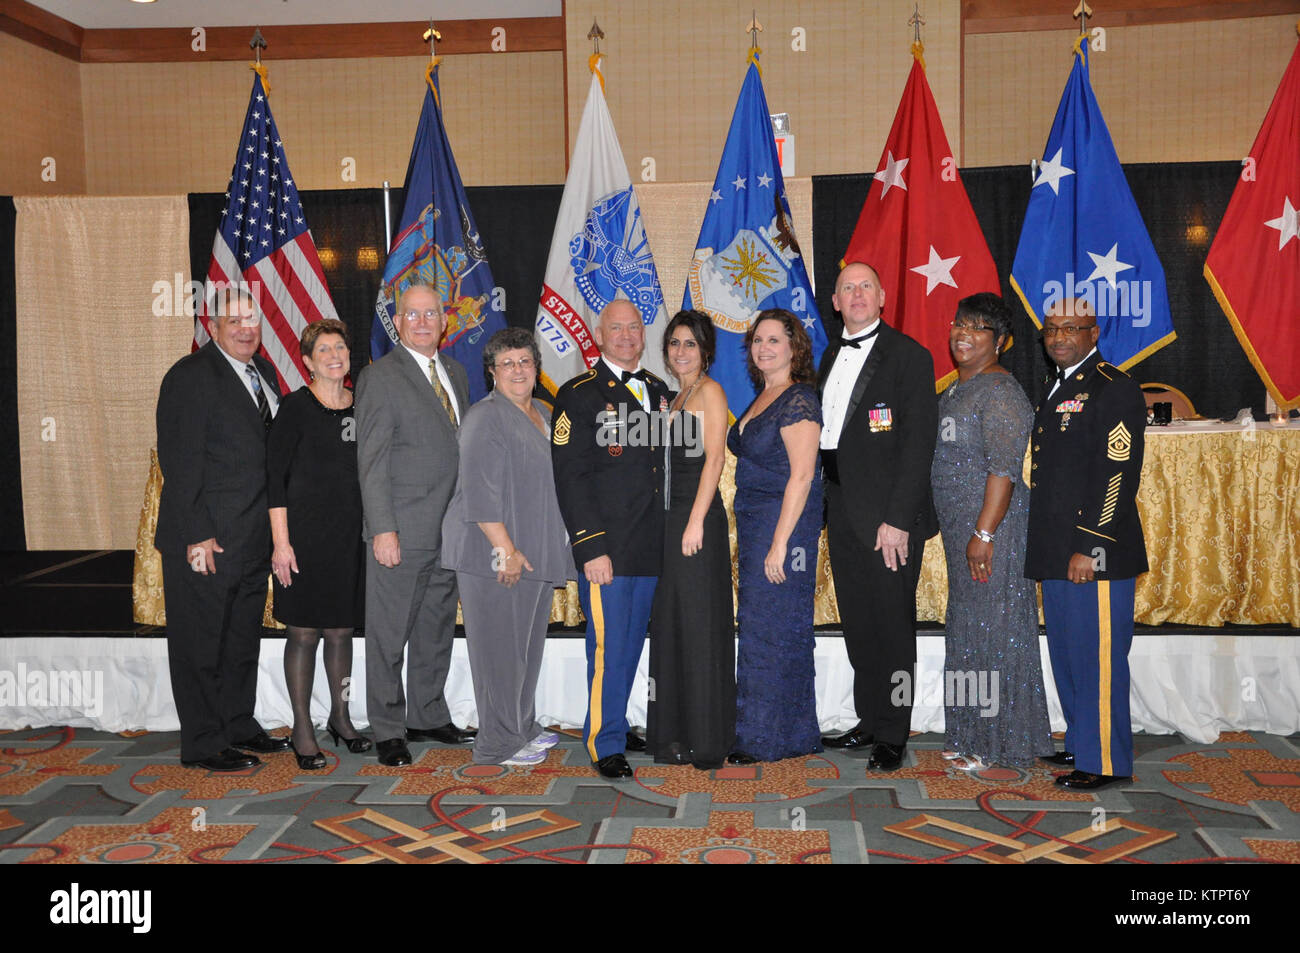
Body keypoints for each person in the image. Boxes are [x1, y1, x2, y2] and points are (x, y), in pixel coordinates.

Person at [155, 288, 291, 771]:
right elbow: (179, 459)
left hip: (252, 539)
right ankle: (203, 742)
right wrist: (197, 535)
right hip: (206, 541)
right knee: (200, 642)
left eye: (251, 321)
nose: (245, 328)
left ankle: (237, 723)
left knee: (239, 640)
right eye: (233, 321)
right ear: (212, 327)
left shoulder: (264, 373)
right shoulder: (190, 376)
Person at [818, 262, 938, 772]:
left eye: (867, 285)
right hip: (840, 510)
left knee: (892, 627)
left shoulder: (909, 356)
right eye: (848, 287)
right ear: (836, 300)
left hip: (889, 518)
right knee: (860, 624)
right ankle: (869, 718)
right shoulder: (827, 355)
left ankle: (893, 730)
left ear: (883, 295)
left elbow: (917, 446)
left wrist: (898, 519)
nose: (858, 293)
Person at [1026, 298, 1148, 791]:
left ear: (1093, 333)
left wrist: (1089, 545)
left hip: (1093, 552)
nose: (1059, 337)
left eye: (1071, 328)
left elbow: (1117, 475)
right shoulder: (1060, 385)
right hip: (1058, 548)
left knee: (1098, 657)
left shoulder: (1113, 388)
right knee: (1070, 654)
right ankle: (1082, 741)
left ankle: (1105, 761)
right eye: (1052, 329)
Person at [442, 328, 575, 767]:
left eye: (525, 361)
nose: (517, 370)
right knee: (498, 653)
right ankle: (498, 744)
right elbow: (479, 494)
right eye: (507, 363)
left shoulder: (543, 410)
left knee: (525, 651)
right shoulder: (485, 417)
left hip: (533, 549)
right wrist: (506, 550)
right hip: (494, 555)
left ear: (537, 368)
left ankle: (521, 727)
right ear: (492, 373)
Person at [930, 293, 1053, 770]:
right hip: (965, 530)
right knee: (970, 629)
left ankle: (997, 740)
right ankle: (970, 732)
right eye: (960, 323)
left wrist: (983, 533)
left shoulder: (1001, 391)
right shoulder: (957, 389)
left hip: (992, 532)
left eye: (979, 328)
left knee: (996, 631)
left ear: (1001, 342)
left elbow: (1003, 470)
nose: (964, 333)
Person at [356, 284, 477, 767]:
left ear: (444, 322)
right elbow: (371, 461)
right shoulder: (380, 378)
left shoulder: (457, 373)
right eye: (413, 315)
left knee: (434, 630)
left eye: (431, 314)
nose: (423, 322)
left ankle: (427, 713)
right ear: (398, 322)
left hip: (450, 530)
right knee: (388, 634)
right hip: (401, 533)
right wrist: (382, 528)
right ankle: (388, 727)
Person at [551, 299, 671, 779]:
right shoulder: (577, 393)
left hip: (650, 545)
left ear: (644, 334)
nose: (625, 335)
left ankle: (616, 724)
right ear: (599, 335)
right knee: (606, 647)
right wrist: (589, 547)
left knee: (630, 645)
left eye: (634, 327)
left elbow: (659, 472)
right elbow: (571, 477)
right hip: (608, 548)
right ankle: (604, 741)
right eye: (615, 328)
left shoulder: (659, 391)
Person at [268, 319, 371, 770]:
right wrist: (281, 545)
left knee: (342, 631)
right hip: (302, 541)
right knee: (304, 632)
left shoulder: (362, 407)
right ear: (307, 361)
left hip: (350, 540)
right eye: (323, 349)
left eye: (340, 348)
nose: (334, 355)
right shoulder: (294, 408)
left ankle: (342, 717)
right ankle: (301, 727)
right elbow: (274, 481)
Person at [726, 309, 823, 765]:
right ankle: (781, 732)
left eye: (774, 340)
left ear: (794, 347)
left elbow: (803, 476)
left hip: (785, 525)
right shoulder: (763, 395)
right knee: (763, 626)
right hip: (753, 521)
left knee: (777, 628)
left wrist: (782, 542)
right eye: (757, 341)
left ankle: (767, 737)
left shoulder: (799, 398)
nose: (763, 348)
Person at [646, 310, 735, 770]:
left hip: (696, 520)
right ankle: (675, 733)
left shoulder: (710, 393)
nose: (681, 351)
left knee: (699, 626)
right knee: (673, 624)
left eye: (690, 345)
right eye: (675, 343)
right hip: (669, 520)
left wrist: (696, 521)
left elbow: (714, 460)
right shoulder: (676, 397)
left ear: (705, 352)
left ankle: (706, 738)